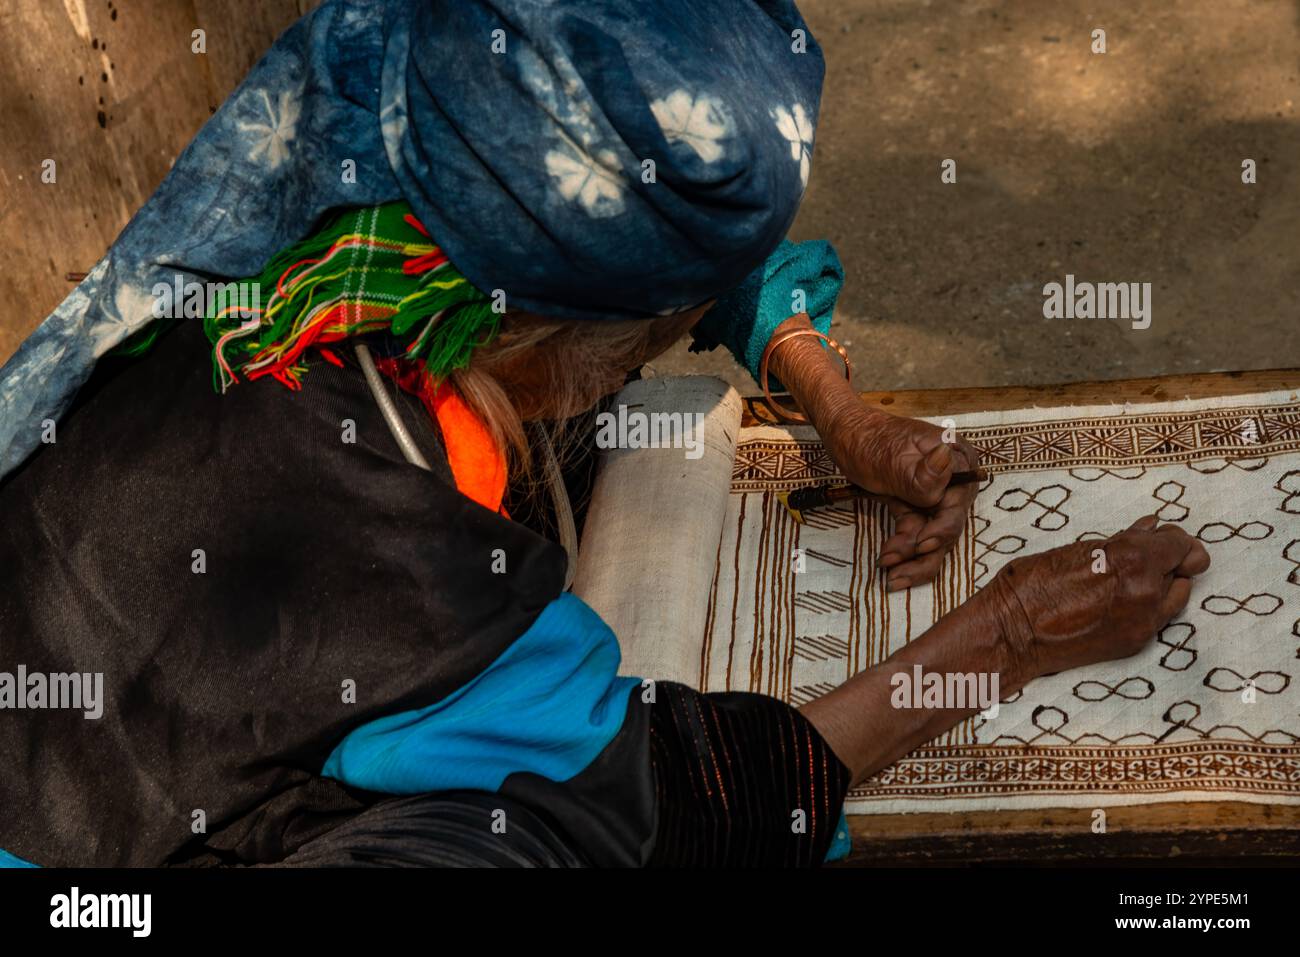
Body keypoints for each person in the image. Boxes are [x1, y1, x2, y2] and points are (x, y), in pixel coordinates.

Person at [0, 0, 1208, 868]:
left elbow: (632, 241)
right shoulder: (381, 550)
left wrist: (834, 413)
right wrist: (1000, 639)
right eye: (654, 339)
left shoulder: (372, 182)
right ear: (567, 332)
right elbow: (658, 792)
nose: (658, 353)